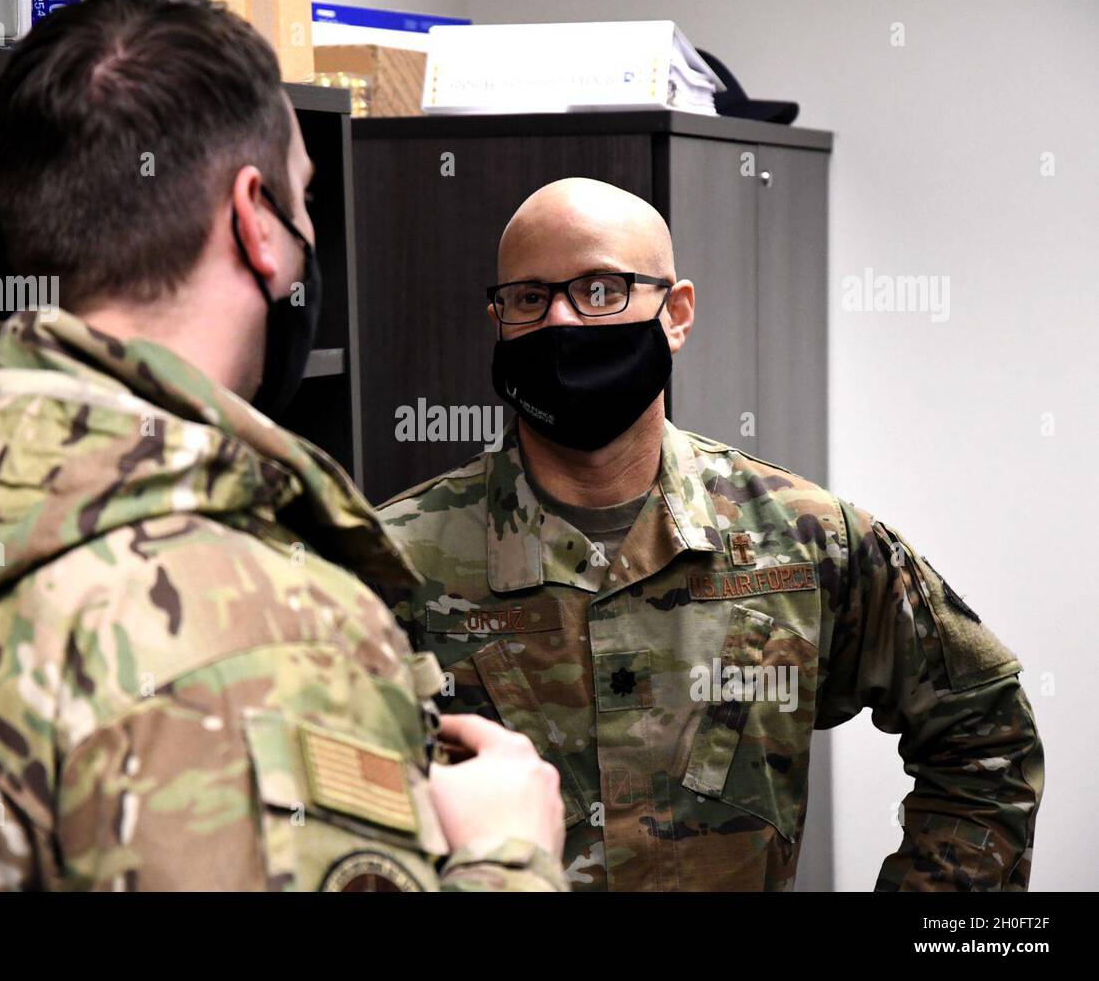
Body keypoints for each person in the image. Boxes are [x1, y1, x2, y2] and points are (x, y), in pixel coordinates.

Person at [0, 0, 565, 892]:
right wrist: (508, 853)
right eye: (306, 198)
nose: (310, 231)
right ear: (256, 220)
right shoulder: (272, 629)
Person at [377, 176, 1044, 892]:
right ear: (498, 318)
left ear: (676, 313)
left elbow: (986, 736)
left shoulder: (805, 538)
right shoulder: (394, 564)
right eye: (530, 299)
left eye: (601, 290)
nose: (563, 323)